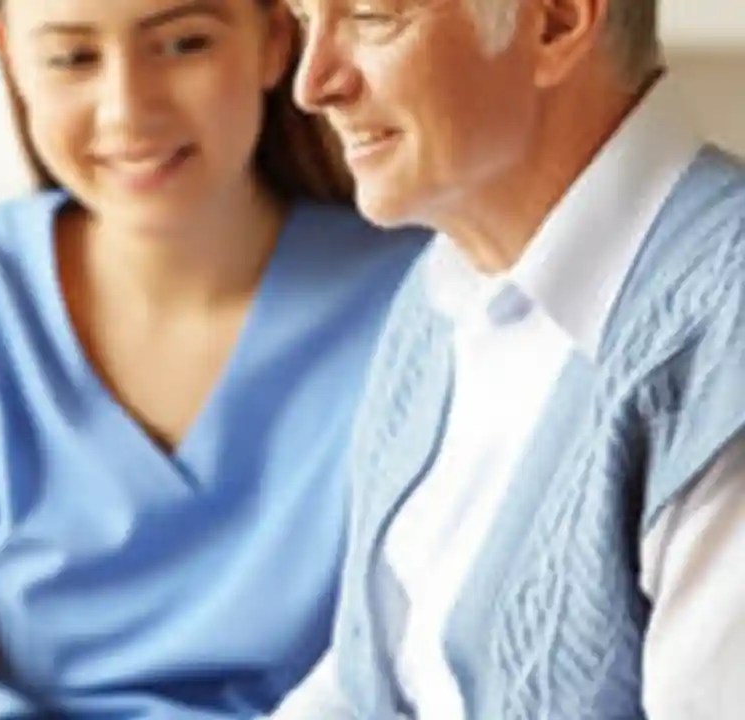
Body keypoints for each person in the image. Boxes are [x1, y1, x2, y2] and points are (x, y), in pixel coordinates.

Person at [0, 0, 423, 718]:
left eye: (184, 44)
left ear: (275, 42)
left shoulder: (422, 300)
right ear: (12, 59)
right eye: (72, 58)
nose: (128, 111)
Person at [272, 0, 745, 717]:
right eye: (307, 20)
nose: (313, 84)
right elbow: (374, 684)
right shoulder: (439, 291)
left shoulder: (724, 335)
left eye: (370, 16)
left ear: (555, 21)